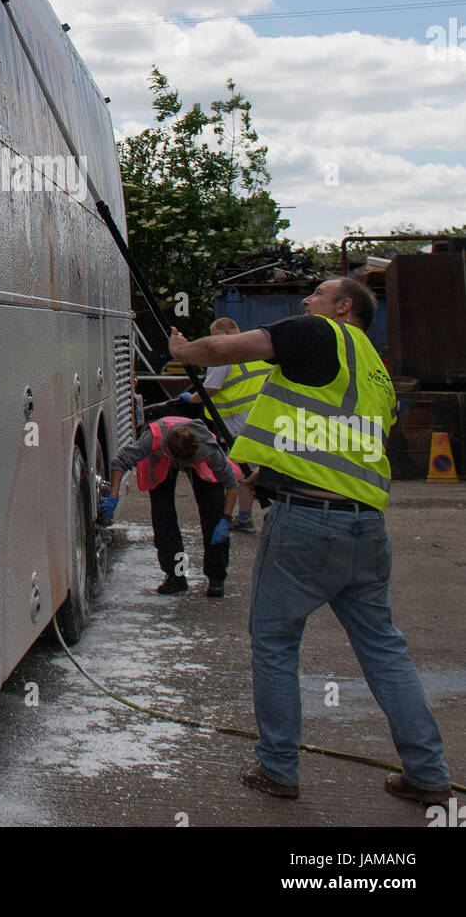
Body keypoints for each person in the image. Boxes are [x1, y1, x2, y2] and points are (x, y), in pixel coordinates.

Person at [168, 277, 453, 805]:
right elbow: (335, 439)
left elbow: (227, 348)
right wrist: (271, 468)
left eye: (317, 295)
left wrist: (183, 349)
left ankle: (278, 770)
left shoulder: (319, 333)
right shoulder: (377, 373)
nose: (306, 301)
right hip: (366, 529)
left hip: (307, 523)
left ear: (342, 307)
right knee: (385, 653)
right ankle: (429, 775)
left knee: (276, 646)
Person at [99, 416, 240, 598]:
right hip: (159, 456)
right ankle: (177, 576)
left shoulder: (207, 448)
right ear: (169, 454)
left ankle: (216, 578)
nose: (183, 468)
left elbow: (231, 484)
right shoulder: (152, 440)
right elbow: (120, 462)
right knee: (164, 517)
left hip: (195, 453)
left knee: (213, 509)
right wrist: (113, 495)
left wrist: (226, 519)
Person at [177, 316, 271, 531]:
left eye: (214, 336)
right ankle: (255, 514)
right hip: (265, 417)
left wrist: (190, 399)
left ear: (224, 333)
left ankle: (247, 517)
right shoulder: (256, 351)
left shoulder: (225, 354)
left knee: (240, 471)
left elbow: (210, 389)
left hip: (240, 423)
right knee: (261, 469)